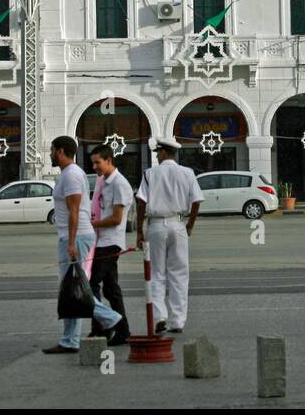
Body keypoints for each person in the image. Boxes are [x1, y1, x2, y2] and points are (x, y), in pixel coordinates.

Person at [42, 135, 127, 354]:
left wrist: (70, 242)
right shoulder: (70, 174)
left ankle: (111, 319)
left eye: (52, 150)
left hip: (76, 237)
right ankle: (70, 340)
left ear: (60, 151)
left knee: (73, 289)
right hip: (75, 236)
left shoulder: (71, 176)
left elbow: (74, 210)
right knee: (70, 289)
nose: (50, 154)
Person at [135, 137, 203, 334]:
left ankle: (159, 316)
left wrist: (139, 231)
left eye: (157, 152)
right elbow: (197, 201)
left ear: (164, 152)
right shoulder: (187, 173)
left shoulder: (150, 174)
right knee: (180, 273)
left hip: (156, 225)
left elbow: (141, 203)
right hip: (178, 223)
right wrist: (190, 225)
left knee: (157, 273)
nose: (156, 155)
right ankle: (178, 321)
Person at [87, 145, 133, 346]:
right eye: (93, 163)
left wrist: (91, 224)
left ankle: (102, 328)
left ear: (109, 160)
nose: (95, 166)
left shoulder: (119, 184)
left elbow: (116, 218)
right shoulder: (102, 181)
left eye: (98, 162)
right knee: (111, 288)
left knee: (92, 285)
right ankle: (123, 331)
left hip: (111, 241)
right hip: (100, 240)